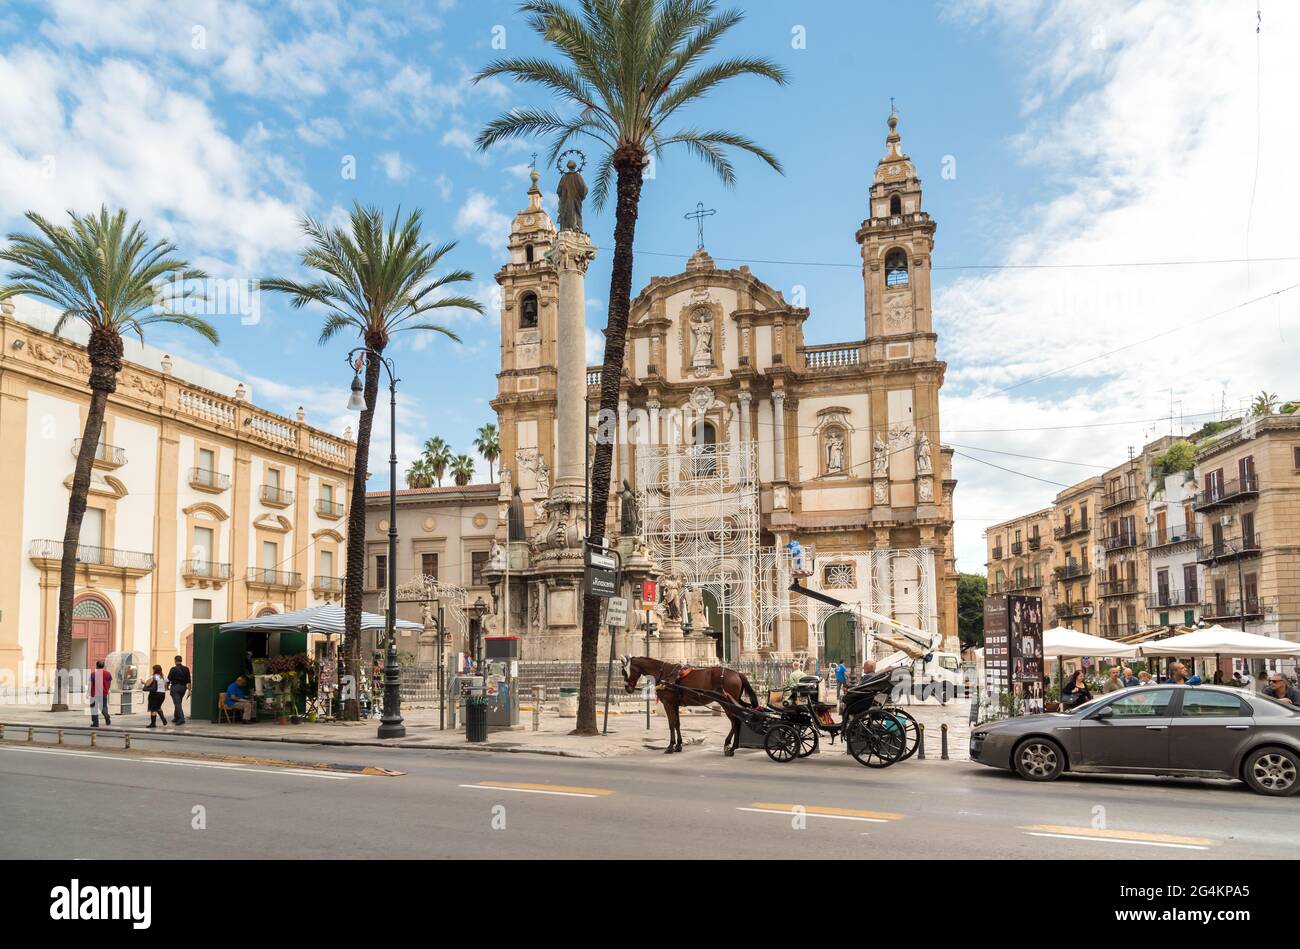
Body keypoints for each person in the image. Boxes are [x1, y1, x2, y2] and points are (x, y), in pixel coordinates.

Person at [166, 655, 191, 726]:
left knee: (177, 703)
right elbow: (189, 680)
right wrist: (189, 690)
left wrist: (167, 687)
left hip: (175, 688)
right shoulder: (186, 669)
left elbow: (168, 680)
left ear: (175, 660)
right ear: (181, 660)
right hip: (183, 688)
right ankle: (176, 717)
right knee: (178, 702)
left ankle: (181, 719)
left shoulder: (173, 669)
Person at [142, 664, 168, 728]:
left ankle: (153, 724)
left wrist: (143, 682)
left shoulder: (154, 677)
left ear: (154, 670)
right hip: (162, 694)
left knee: (153, 709)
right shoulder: (164, 677)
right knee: (158, 707)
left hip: (155, 694)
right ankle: (163, 719)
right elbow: (166, 687)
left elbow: (147, 684)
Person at [88, 659, 111, 728]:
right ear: (103, 666)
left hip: (94, 694)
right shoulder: (108, 674)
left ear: (96, 666)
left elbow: (91, 684)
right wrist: (107, 690)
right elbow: (109, 683)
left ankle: (95, 723)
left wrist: (88, 692)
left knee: (94, 708)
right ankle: (106, 716)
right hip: (104, 693)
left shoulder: (93, 674)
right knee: (103, 706)